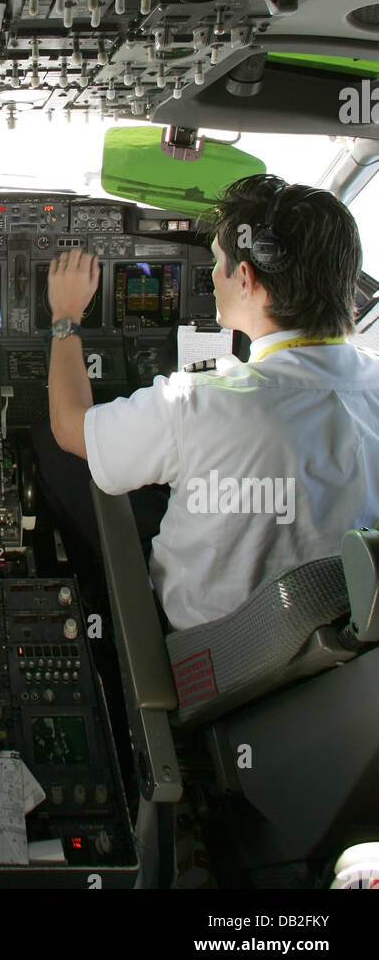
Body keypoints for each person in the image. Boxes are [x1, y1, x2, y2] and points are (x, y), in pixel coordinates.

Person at [41, 174, 379, 630]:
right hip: (332, 640)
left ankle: (97, 614)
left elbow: (68, 424)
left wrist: (65, 317)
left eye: (216, 263)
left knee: (51, 441)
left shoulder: (200, 402)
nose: (212, 277)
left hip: (208, 651)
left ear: (245, 278)